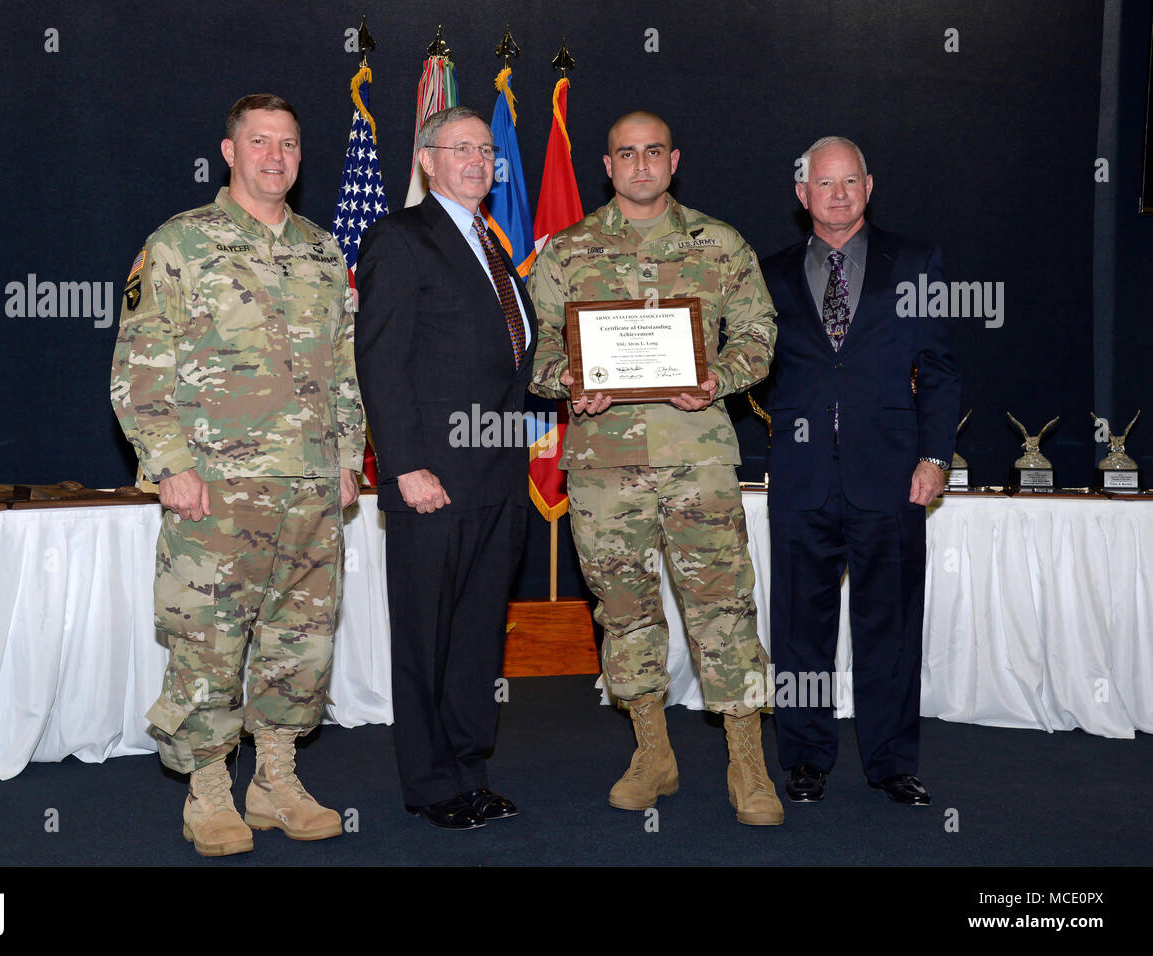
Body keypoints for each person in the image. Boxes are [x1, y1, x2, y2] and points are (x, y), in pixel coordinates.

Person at [111, 93, 365, 856]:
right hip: (216, 491)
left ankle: (276, 781)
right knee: (208, 645)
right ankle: (210, 789)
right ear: (229, 152)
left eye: (288, 143)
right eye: (260, 142)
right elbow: (137, 369)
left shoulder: (325, 251)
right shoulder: (180, 244)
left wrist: (349, 457)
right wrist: (171, 465)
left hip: (311, 488)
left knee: (302, 644)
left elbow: (343, 367)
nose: (276, 156)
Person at [529, 111, 783, 826]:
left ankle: (748, 765)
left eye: (652, 153)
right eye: (624, 155)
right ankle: (653, 754)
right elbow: (535, 348)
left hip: (696, 456)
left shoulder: (720, 242)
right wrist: (571, 380)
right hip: (604, 466)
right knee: (624, 614)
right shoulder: (568, 250)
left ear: (674, 160)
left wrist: (721, 378)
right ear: (606, 167)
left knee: (723, 611)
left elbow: (761, 334)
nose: (640, 165)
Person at [760, 136, 960, 806]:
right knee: (798, 629)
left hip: (892, 478)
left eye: (849, 182)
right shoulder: (771, 273)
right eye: (824, 183)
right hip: (802, 479)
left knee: (892, 627)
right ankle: (806, 757)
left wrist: (934, 457)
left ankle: (891, 762)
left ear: (868, 187)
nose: (837, 194)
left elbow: (938, 369)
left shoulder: (916, 261)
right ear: (802, 194)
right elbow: (751, 368)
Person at [354, 107, 535, 831]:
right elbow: (381, 359)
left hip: (498, 479)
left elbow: (510, 363)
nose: (478, 161)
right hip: (432, 480)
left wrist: (580, 384)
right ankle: (431, 786)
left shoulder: (493, 243)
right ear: (427, 160)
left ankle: (469, 768)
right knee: (427, 638)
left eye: (486, 150)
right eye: (461, 149)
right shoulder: (400, 239)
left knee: (475, 638)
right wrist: (405, 466)